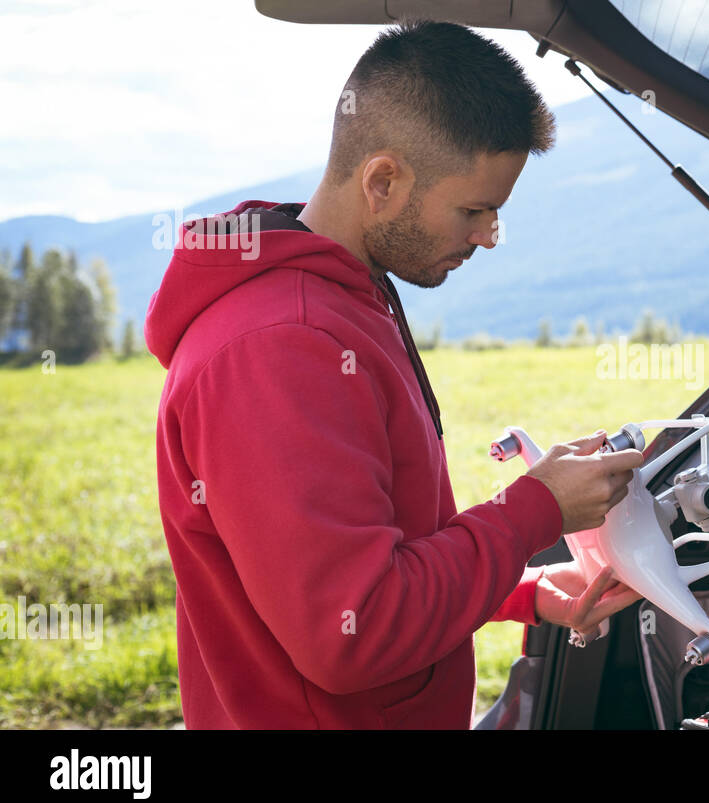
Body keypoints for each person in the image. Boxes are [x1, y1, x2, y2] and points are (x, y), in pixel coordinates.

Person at [144, 20, 644, 729]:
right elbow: (354, 628)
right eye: (474, 210)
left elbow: (373, 549)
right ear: (383, 180)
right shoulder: (282, 347)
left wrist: (519, 591)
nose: (487, 237)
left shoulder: (347, 299)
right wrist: (532, 511)